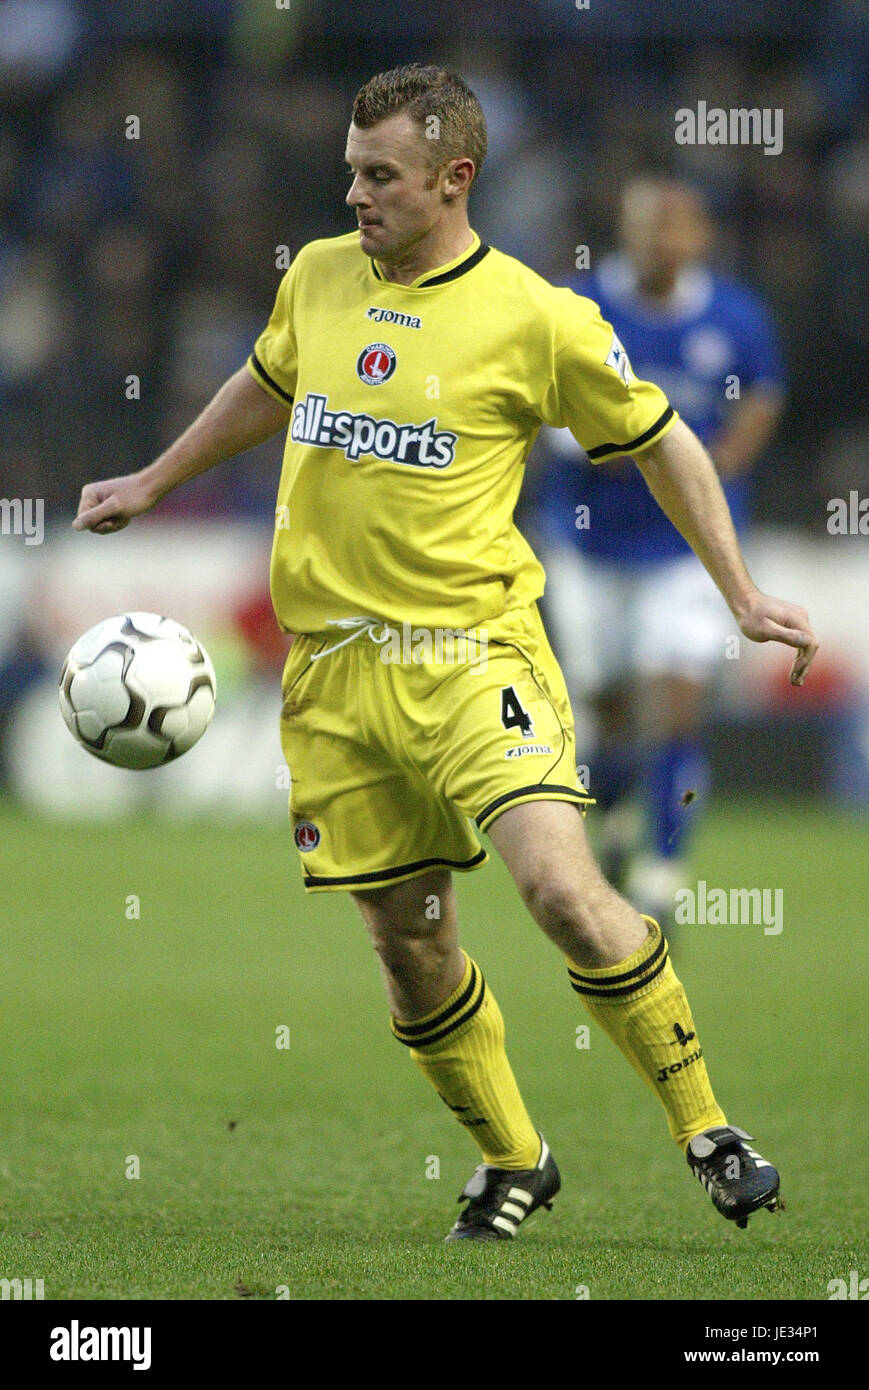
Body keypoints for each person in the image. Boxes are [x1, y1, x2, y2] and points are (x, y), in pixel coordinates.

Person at [73, 65, 817, 1242]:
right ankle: (513, 1158)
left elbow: (664, 439)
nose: (355, 193)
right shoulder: (317, 277)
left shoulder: (535, 316)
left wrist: (739, 589)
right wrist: (155, 479)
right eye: (350, 171)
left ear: (453, 177)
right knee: (410, 947)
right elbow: (267, 384)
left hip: (474, 653)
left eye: (380, 176)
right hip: (331, 673)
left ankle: (706, 1126)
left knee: (563, 893)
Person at [531, 177, 786, 929]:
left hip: (683, 554)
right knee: (606, 716)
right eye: (648, 228)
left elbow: (762, 396)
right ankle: (612, 826)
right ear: (624, 230)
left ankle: (660, 880)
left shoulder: (734, 317)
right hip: (589, 543)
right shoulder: (578, 309)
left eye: (676, 228)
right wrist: (641, 451)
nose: (661, 242)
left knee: (675, 707)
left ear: (700, 237)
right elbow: (545, 408)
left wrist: (716, 467)